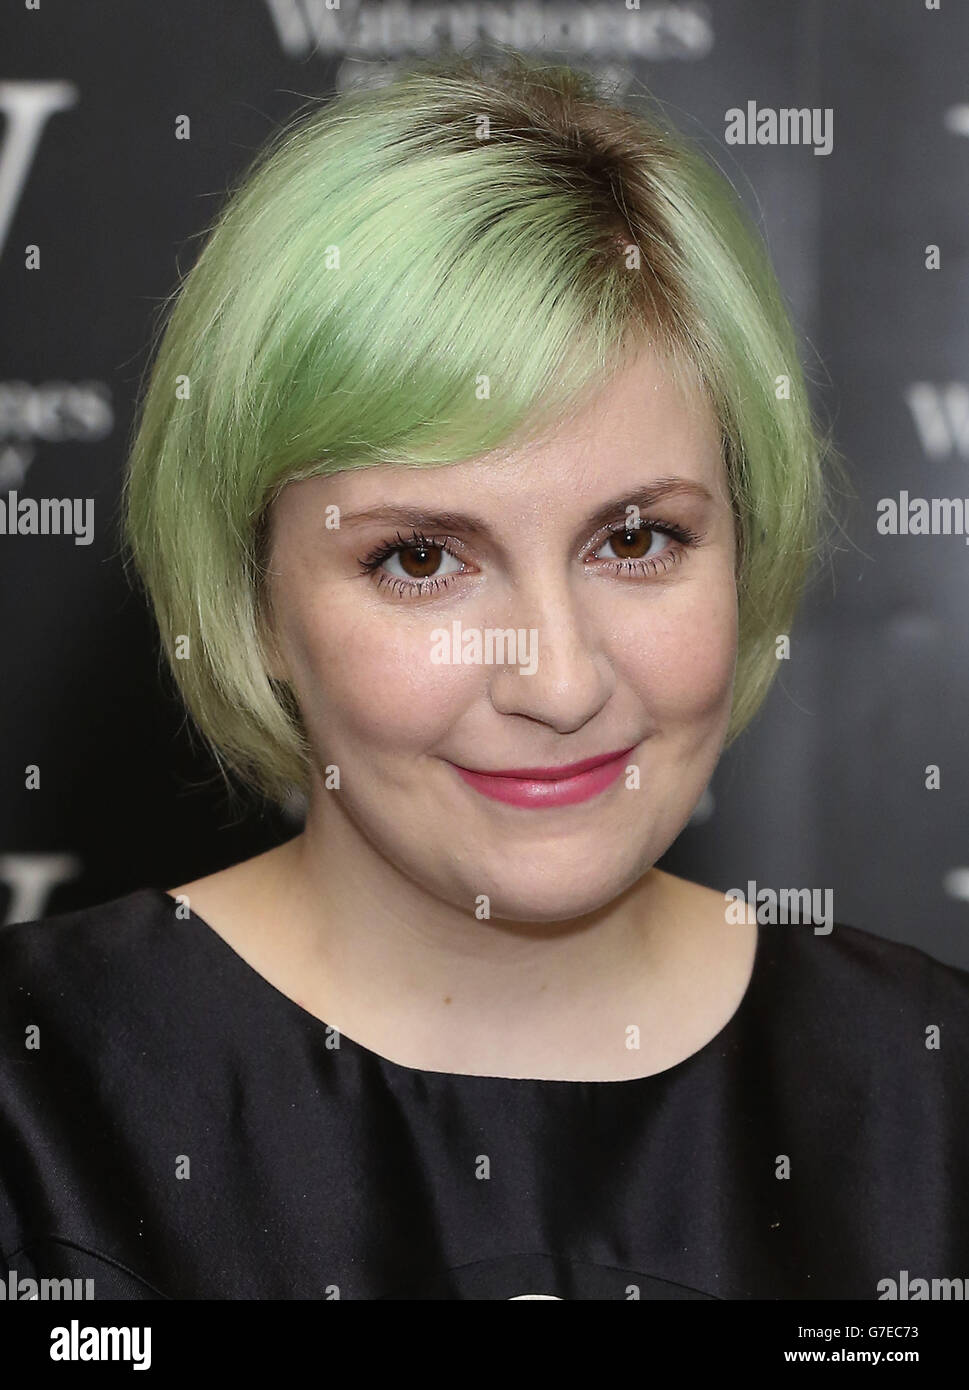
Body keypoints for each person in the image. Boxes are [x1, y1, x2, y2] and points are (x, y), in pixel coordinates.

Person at [1, 49, 967, 1302]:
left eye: (636, 539)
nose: (558, 682)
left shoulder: (928, 1096)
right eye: (420, 557)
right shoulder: (41, 1106)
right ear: (253, 596)